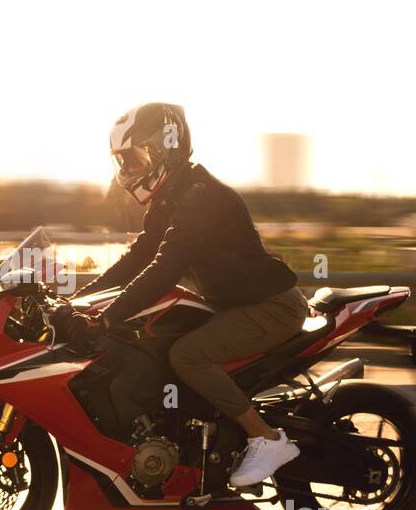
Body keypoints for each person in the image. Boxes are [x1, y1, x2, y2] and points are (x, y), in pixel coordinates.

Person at [62, 103, 308, 488]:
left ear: (164, 149)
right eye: (122, 162)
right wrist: (76, 301)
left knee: (188, 355)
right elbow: (138, 258)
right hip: (239, 305)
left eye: (133, 159)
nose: (127, 171)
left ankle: (267, 438)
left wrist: (105, 318)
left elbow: (163, 269)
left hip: (271, 307)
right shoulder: (172, 198)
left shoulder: (200, 198)